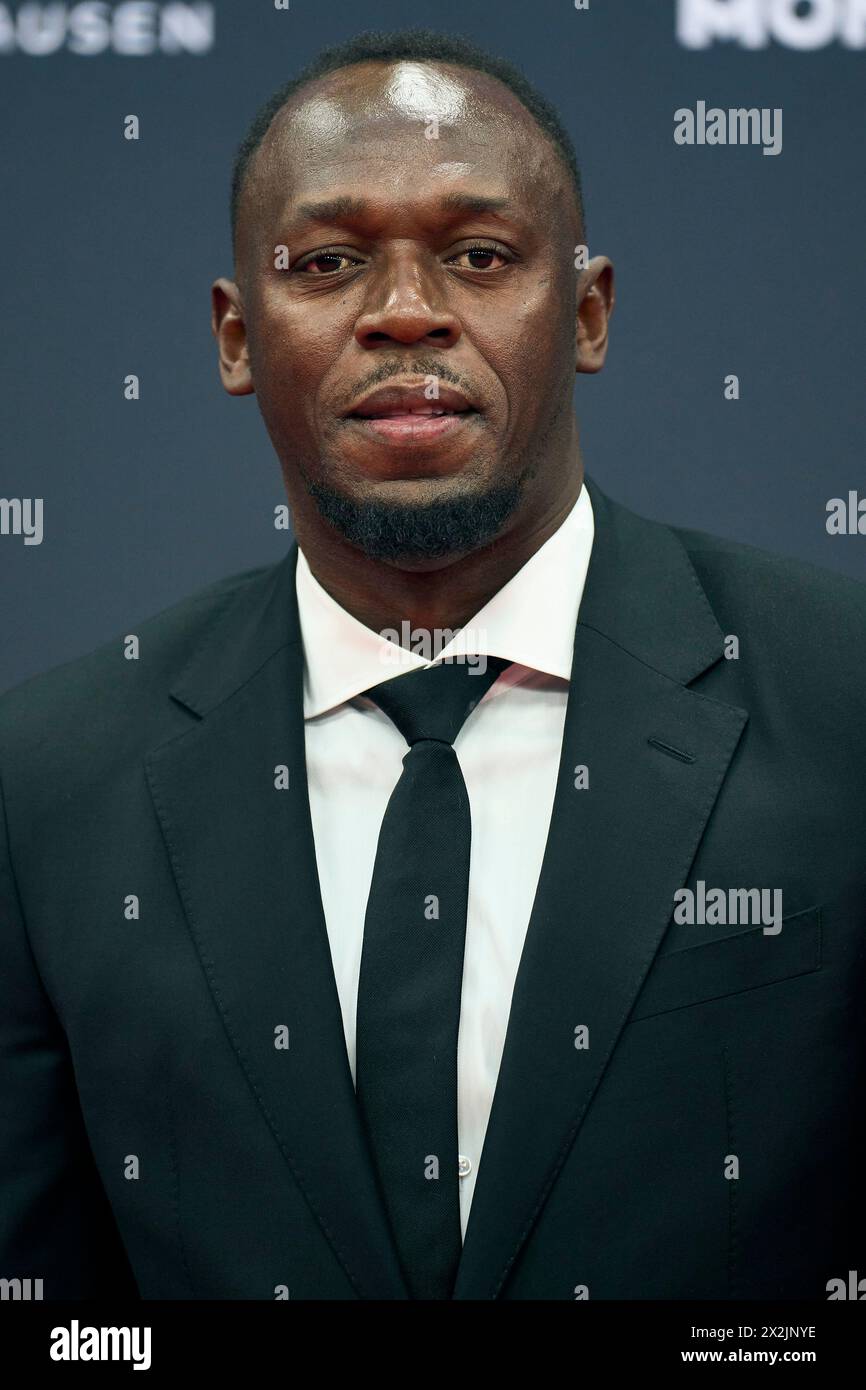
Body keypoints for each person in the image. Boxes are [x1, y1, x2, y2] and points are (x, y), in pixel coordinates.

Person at [0, 29, 863, 1302]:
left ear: (585, 311)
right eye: (330, 262)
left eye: (477, 255)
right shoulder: (48, 779)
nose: (404, 311)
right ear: (237, 338)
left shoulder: (842, 704)